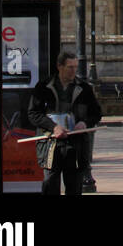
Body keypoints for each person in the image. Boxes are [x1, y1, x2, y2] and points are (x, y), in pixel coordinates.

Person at [27, 51, 102, 196]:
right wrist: (53, 127)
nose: (74, 71)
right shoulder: (43, 87)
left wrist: (84, 124)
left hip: (75, 146)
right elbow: (33, 114)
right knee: (50, 185)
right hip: (50, 145)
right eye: (70, 67)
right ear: (59, 66)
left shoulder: (84, 89)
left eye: (75, 67)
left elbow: (96, 113)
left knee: (74, 187)